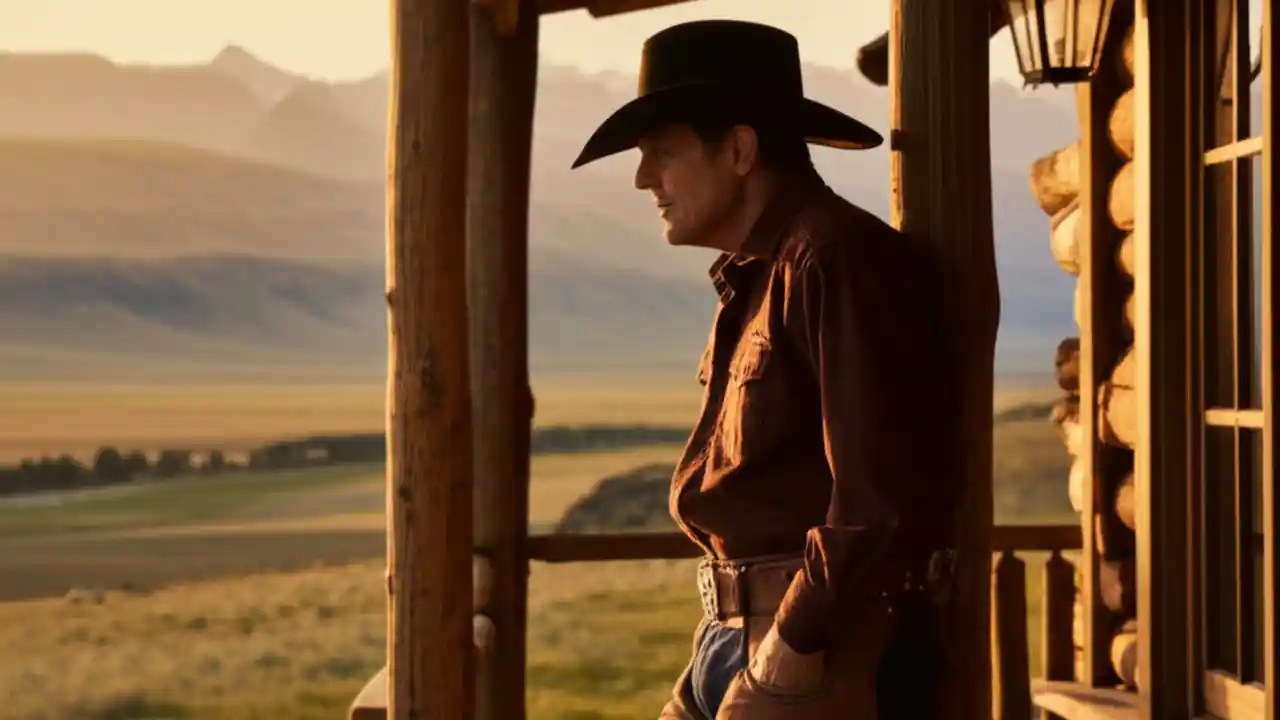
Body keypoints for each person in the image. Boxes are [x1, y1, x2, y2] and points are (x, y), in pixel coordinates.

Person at [570, 20, 961, 719]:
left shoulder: (833, 260)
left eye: (661, 152)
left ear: (741, 149)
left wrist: (791, 640)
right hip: (738, 637)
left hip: (818, 647)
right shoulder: (763, 274)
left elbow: (877, 495)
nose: (640, 178)